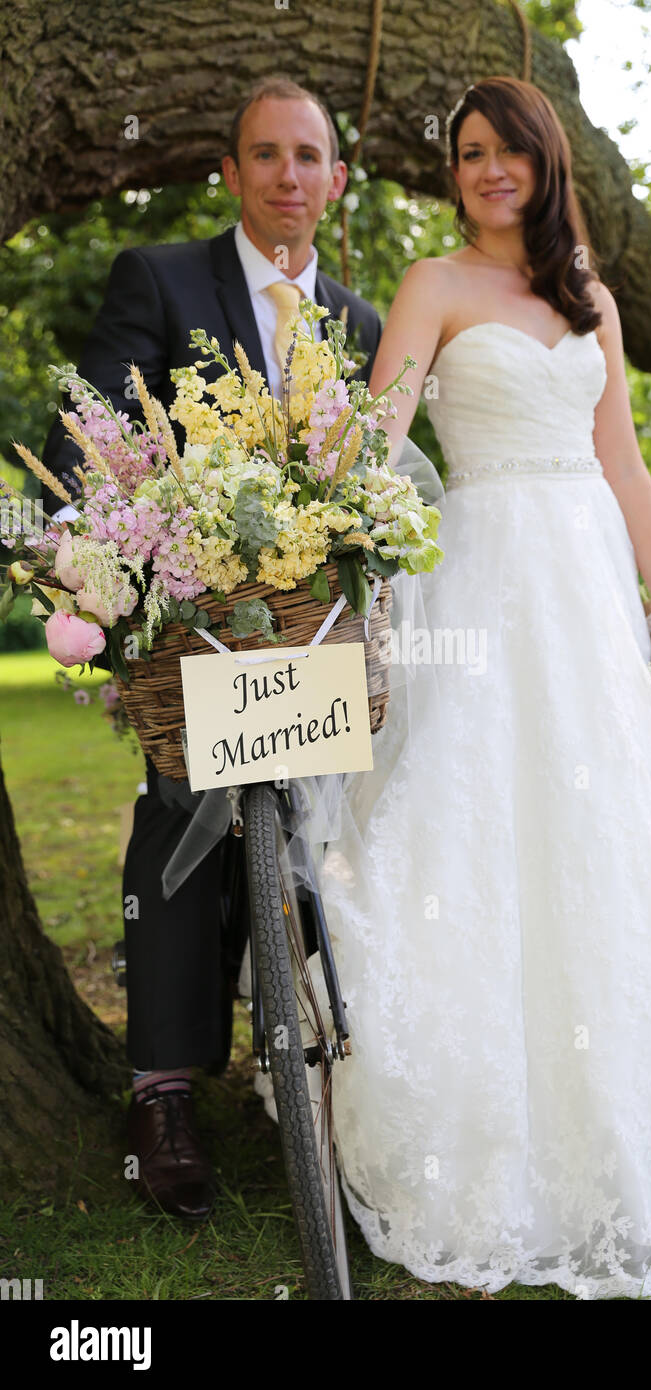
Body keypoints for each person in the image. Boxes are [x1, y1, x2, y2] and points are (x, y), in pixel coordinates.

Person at [312, 75, 651, 1299]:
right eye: (466, 153)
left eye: (506, 149)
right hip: (484, 576)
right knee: (483, 816)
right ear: (451, 173)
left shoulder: (590, 299)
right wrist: (330, 474)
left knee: (627, 824)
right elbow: (384, 418)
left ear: (542, 160)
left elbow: (620, 460)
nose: (486, 169)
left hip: (586, 588)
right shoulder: (432, 286)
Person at [39, 77, 384, 1221]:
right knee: (182, 812)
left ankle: (319, 1069)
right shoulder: (164, 278)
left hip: (310, 632)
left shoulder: (360, 319)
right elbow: (87, 426)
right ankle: (167, 1091)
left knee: (318, 834)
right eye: (265, 154)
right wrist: (123, 563)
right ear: (231, 175)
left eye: (309, 156)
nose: (288, 174)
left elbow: (372, 480)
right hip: (188, 625)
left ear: (335, 178)